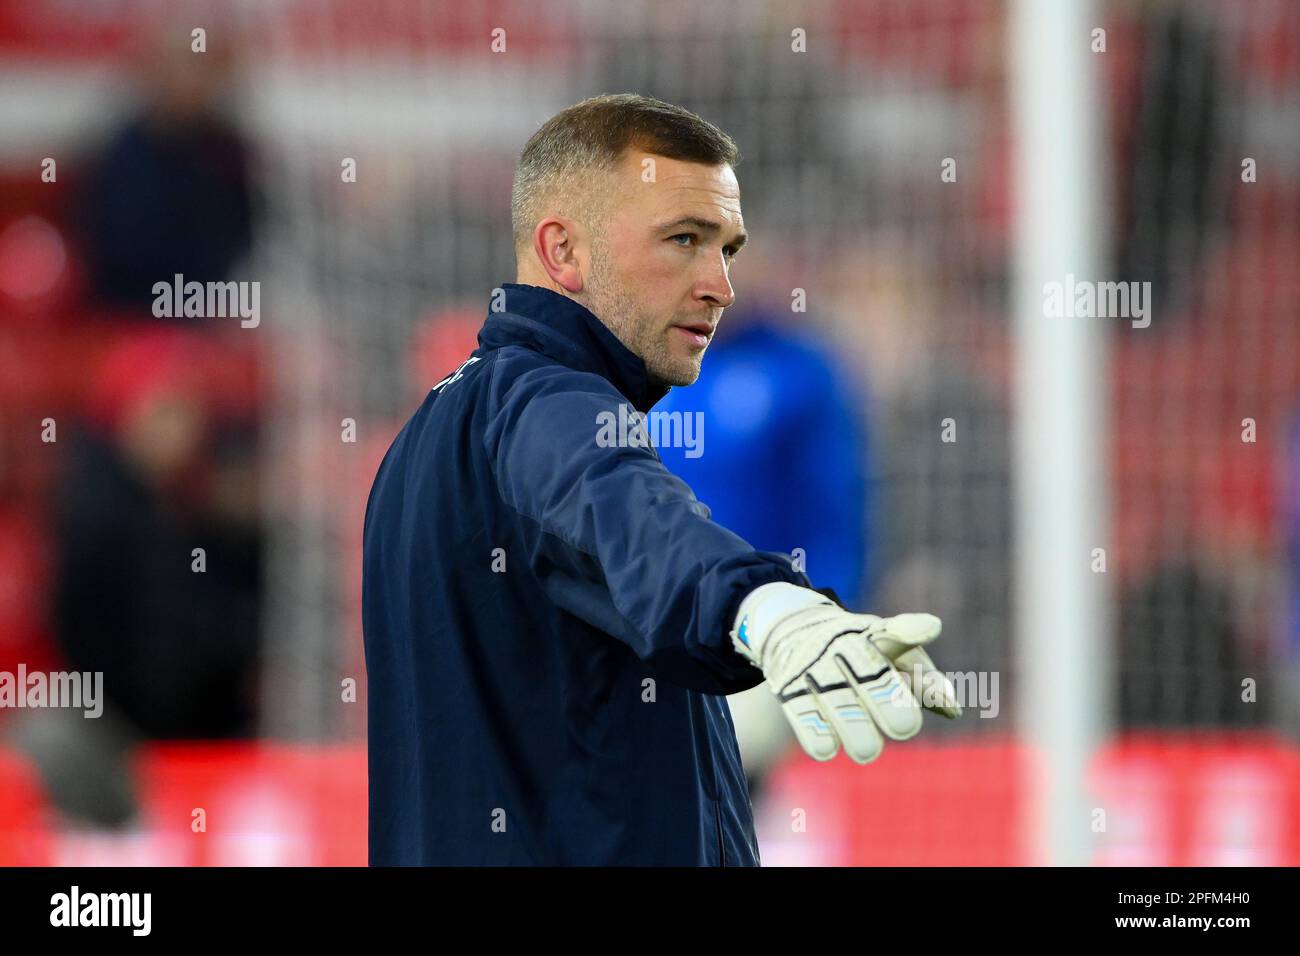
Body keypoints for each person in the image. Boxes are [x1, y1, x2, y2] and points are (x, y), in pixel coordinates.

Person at [362, 94, 960, 866]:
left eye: (729, 249)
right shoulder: (547, 404)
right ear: (563, 253)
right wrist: (764, 607)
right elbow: (632, 519)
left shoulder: (428, 437)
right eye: (683, 239)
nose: (720, 283)